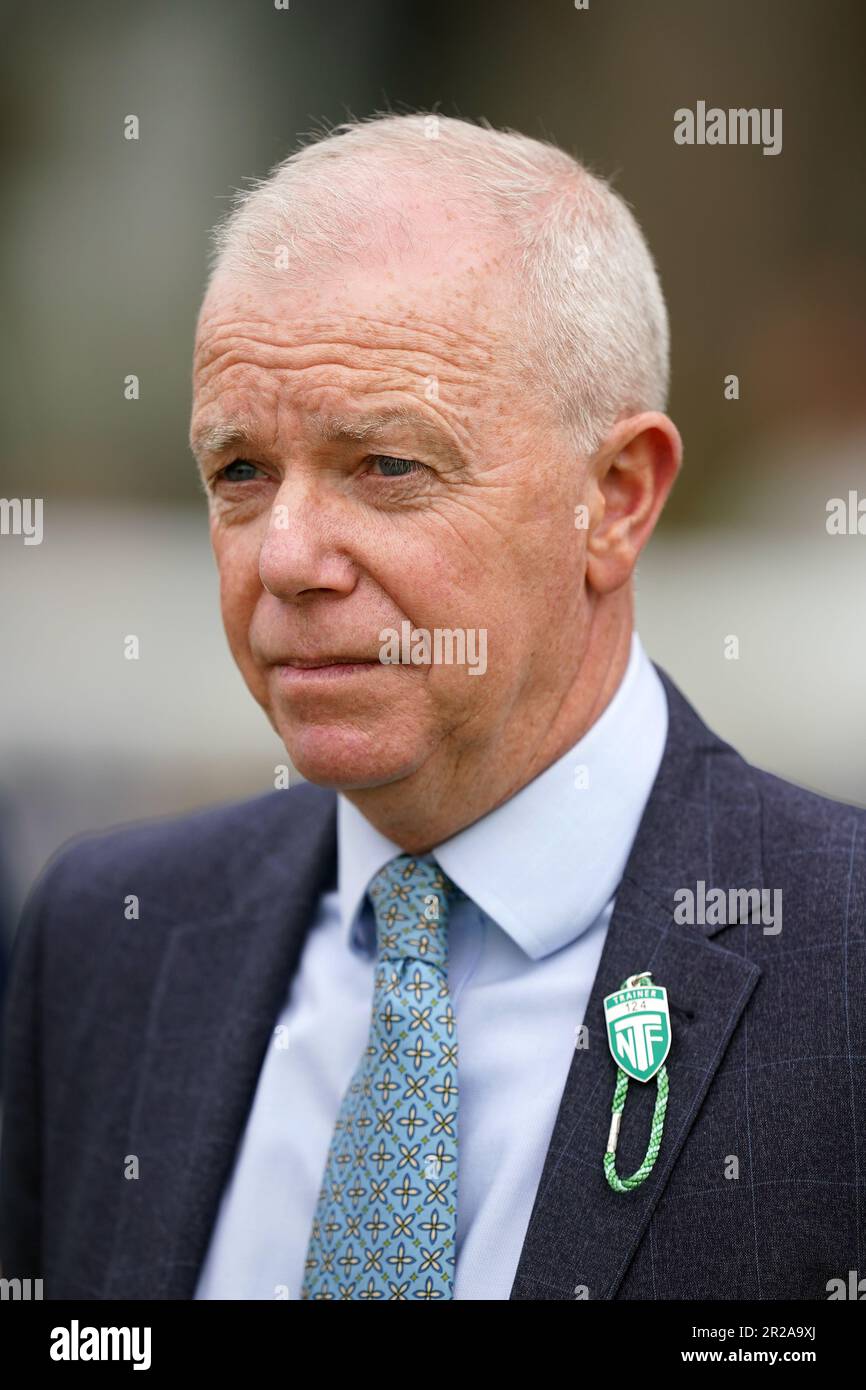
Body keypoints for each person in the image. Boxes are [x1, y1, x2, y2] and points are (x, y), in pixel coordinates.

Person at [1, 113, 864, 1301]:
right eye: (241, 473)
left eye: (388, 467)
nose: (288, 557)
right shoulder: (107, 938)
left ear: (613, 501)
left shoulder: (838, 962)